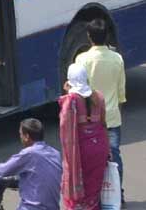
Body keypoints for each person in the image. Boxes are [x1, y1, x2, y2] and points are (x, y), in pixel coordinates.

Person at [76, 19, 127, 204]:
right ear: (107, 36)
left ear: (89, 36)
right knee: (114, 158)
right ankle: (117, 196)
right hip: (112, 117)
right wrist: (116, 112)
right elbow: (121, 92)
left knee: (91, 159)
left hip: (90, 120)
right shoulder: (117, 59)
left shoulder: (82, 60)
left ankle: (95, 197)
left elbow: (80, 92)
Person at [0, 118, 62, 210]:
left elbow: (5, 169)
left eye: (21, 134)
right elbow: (37, 177)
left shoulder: (30, 153)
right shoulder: (55, 153)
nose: (20, 137)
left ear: (27, 136)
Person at [60, 63, 109, 210]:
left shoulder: (71, 101)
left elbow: (65, 129)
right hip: (99, 147)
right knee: (93, 188)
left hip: (81, 151)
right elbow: (103, 123)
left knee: (78, 190)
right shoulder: (98, 96)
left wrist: (68, 93)